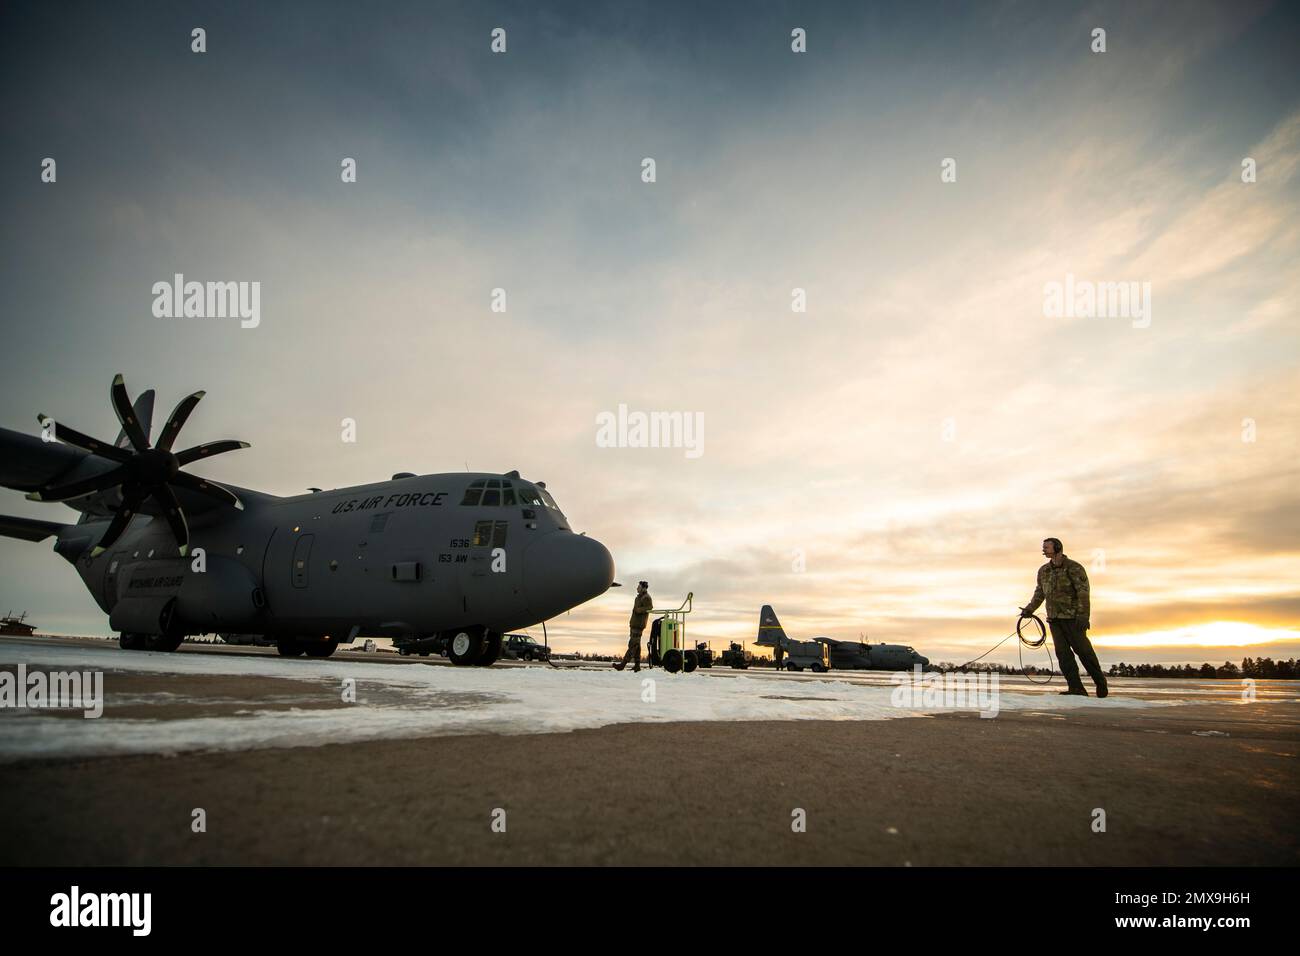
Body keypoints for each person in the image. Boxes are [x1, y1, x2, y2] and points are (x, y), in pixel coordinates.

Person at [1021, 537, 1108, 697]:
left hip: (1073, 619)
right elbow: (1040, 593)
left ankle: (1100, 683)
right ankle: (1076, 688)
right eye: (1043, 547)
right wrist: (1029, 609)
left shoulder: (1074, 568)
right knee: (1063, 655)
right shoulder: (1043, 571)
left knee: (1084, 652)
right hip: (1054, 619)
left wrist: (1083, 616)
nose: (1044, 550)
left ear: (1057, 547)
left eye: (1046, 547)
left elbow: (1083, 593)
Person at [614, 581, 653, 672]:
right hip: (634, 624)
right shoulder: (638, 597)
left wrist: (639, 610)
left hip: (639, 625)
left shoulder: (646, 597)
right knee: (637, 646)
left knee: (632, 645)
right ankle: (637, 665)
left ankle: (622, 664)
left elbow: (649, 607)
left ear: (643, 588)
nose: (637, 588)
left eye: (638, 587)